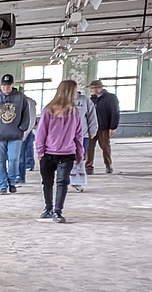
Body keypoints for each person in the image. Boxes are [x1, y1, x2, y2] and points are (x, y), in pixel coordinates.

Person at [35, 80, 85, 224]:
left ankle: (57, 211)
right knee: (47, 182)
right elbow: (41, 133)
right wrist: (40, 152)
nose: (76, 93)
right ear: (69, 91)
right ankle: (48, 208)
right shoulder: (48, 110)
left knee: (62, 182)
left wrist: (80, 152)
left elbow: (78, 134)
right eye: (75, 91)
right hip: (48, 153)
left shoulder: (75, 112)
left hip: (67, 153)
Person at [0, 73, 31, 194]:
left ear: (12, 85)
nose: (5, 88)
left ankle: (12, 182)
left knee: (14, 159)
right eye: (3, 85)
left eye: (8, 85)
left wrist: (21, 129)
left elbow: (26, 116)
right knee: (0, 160)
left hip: (15, 136)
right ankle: (2, 185)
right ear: (0, 85)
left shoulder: (21, 98)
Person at [87, 79, 120, 174]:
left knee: (105, 147)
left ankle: (108, 165)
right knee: (89, 147)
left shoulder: (111, 98)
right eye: (91, 88)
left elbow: (115, 112)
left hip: (104, 127)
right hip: (92, 128)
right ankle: (89, 167)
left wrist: (113, 127)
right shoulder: (91, 99)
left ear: (99, 88)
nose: (92, 90)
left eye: (93, 88)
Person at [71, 89, 98, 191]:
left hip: (83, 134)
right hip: (66, 135)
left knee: (80, 158)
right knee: (67, 158)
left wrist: (93, 131)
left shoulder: (85, 101)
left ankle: (78, 181)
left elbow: (92, 116)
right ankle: (65, 179)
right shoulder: (62, 100)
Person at [18, 90, 38, 184]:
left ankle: (20, 176)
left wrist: (25, 133)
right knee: (25, 150)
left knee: (21, 154)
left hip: (24, 130)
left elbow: (31, 119)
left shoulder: (27, 102)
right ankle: (29, 165)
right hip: (24, 130)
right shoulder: (29, 101)